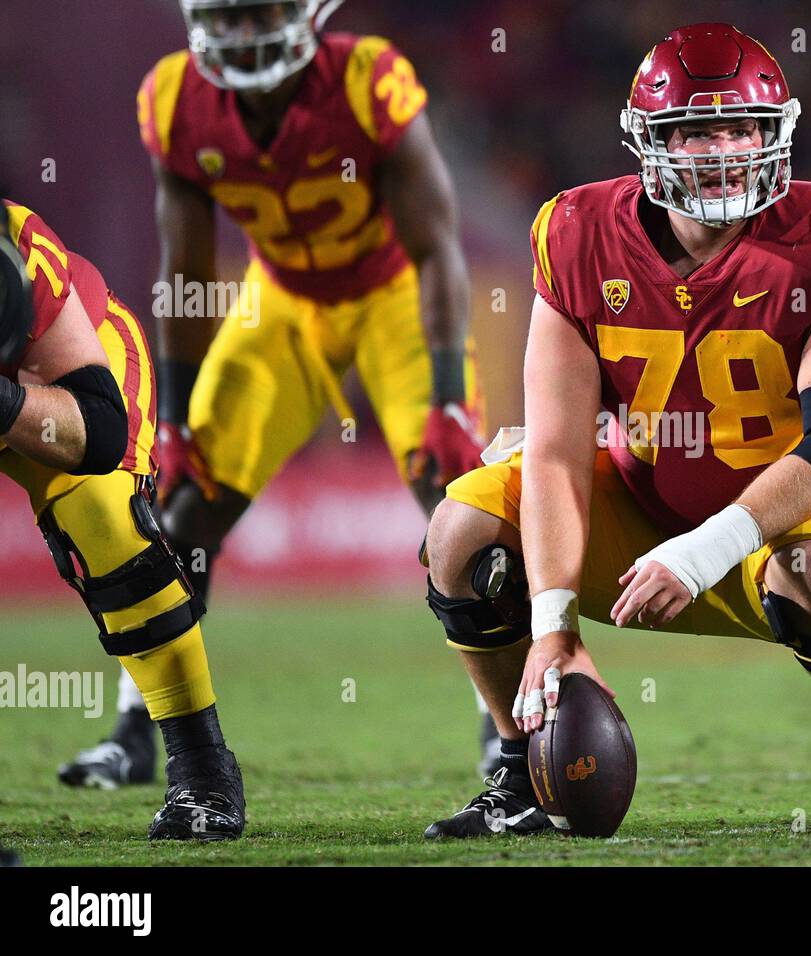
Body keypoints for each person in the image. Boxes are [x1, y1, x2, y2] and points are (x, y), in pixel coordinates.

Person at [420, 23, 811, 838]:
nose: (723, 149)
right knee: (461, 532)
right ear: (650, 140)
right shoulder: (576, 232)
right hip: (641, 499)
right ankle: (521, 764)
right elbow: (552, 452)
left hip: (784, 521)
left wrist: (704, 553)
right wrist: (553, 627)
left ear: (776, 137)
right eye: (696, 129)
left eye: (743, 129)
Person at [59, 0, 493, 788]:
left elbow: (437, 250)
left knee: (457, 498)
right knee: (185, 507)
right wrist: (180, 418)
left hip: (392, 289)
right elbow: (186, 272)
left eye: (259, 13)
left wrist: (447, 396)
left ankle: (504, 723)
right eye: (225, 17)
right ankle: (138, 727)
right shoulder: (172, 98)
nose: (243, 33)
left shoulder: (368, 80)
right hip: (282, 299)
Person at [1, 200, 243, 839]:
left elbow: (101, 428)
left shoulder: (17, 243)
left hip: (60, 382)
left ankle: (201, 770)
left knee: (102, 517)